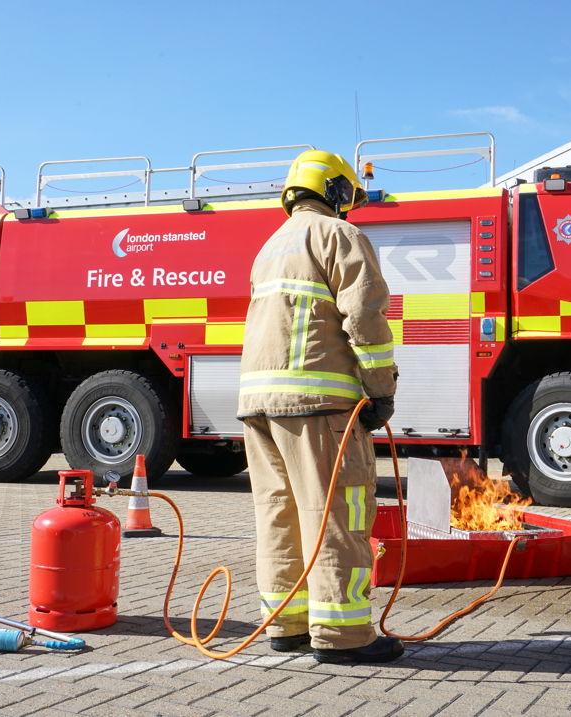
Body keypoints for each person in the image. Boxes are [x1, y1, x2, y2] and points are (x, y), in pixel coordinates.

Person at [237, 150, 402, 664]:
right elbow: (365, 316)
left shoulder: (270, 245)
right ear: (335, 191)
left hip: (259, 406)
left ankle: (286, 625)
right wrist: (381, 389)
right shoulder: (338, 235)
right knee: (335, 513)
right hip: (317, 404)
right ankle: (342, 635)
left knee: (280, 515)